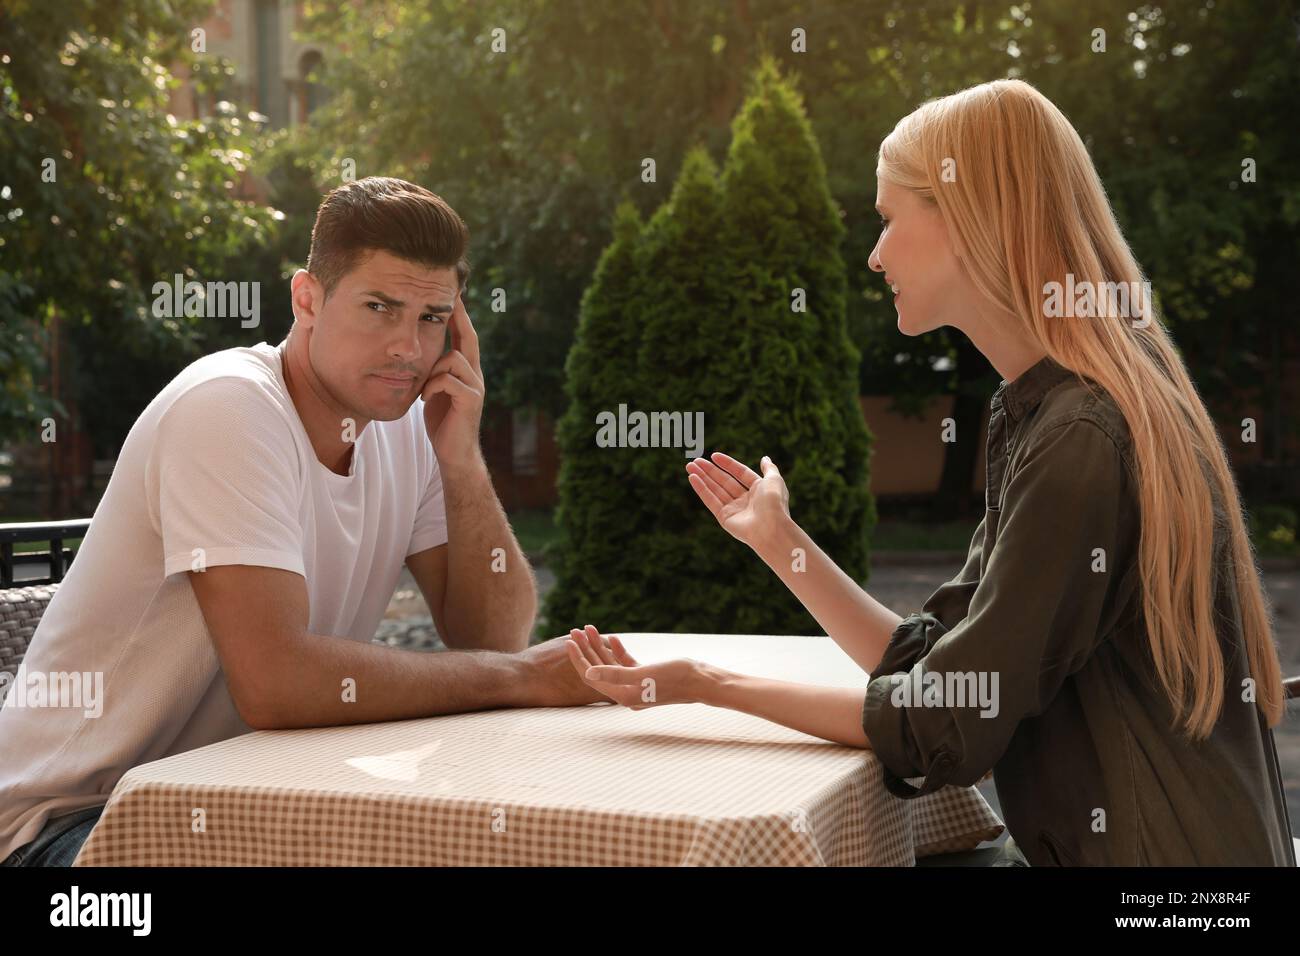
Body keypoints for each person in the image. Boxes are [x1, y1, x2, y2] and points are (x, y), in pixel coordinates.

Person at [564, 79, 1296, 867]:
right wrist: (782, 543)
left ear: (970, 218)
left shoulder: (1081, 436)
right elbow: (933, 665)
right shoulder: (1065, 410)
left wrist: (706, 682)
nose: (875, 255)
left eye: (886, 219)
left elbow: (941, 728)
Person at [1, 177, 603, 866]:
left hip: (234, 801)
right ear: (307, 298)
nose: (409, 348)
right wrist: (515, 678)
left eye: (433, 318)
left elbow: (491, 634)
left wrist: (461, 459)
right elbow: (277, 683)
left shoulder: (407, 427)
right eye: (381, 307)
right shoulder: (229, 408)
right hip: (66, 827)